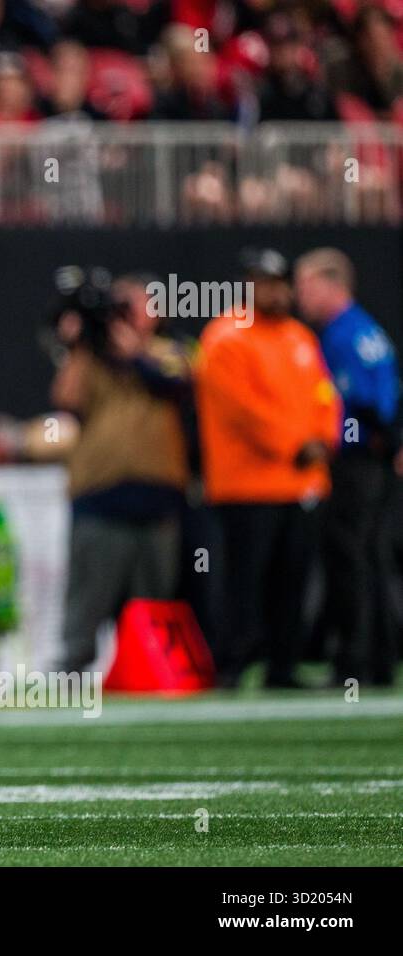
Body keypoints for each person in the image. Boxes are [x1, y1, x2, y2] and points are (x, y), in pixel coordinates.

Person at [195, 250, 342, 688]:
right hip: (247, 485)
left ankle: (283, 665)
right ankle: (231, 664)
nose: (274, 292)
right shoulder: (226, 337)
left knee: (292, 581)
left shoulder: (299, 337)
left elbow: (325, 395)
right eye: (263, 283)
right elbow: (242, 409)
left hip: (301, 484)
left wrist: (324, 441)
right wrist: (294, 445)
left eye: (278, 283)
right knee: (244, 581)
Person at [50, 268, 191, 673]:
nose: (128, 313)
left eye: (137, 304)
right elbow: (66, 398)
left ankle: (154, 669)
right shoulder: (91, 358)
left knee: (154, 596)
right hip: (101, 492)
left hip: (158, 493)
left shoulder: (170, 351)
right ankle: (72, 668)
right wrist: (78, 344)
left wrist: (134, 354)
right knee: (88, 592)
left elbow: (177, 383)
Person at [295, 248, 400, 686]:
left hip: (357, 465)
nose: (301, 297)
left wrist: (341, 447)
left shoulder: (342, 334)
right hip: (373, 460)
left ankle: (354, 660)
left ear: (331, 285)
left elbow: (362, 408)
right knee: (371, 556)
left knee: (349, 557)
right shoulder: (366, 330)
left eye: (306, 286)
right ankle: (378, 656)